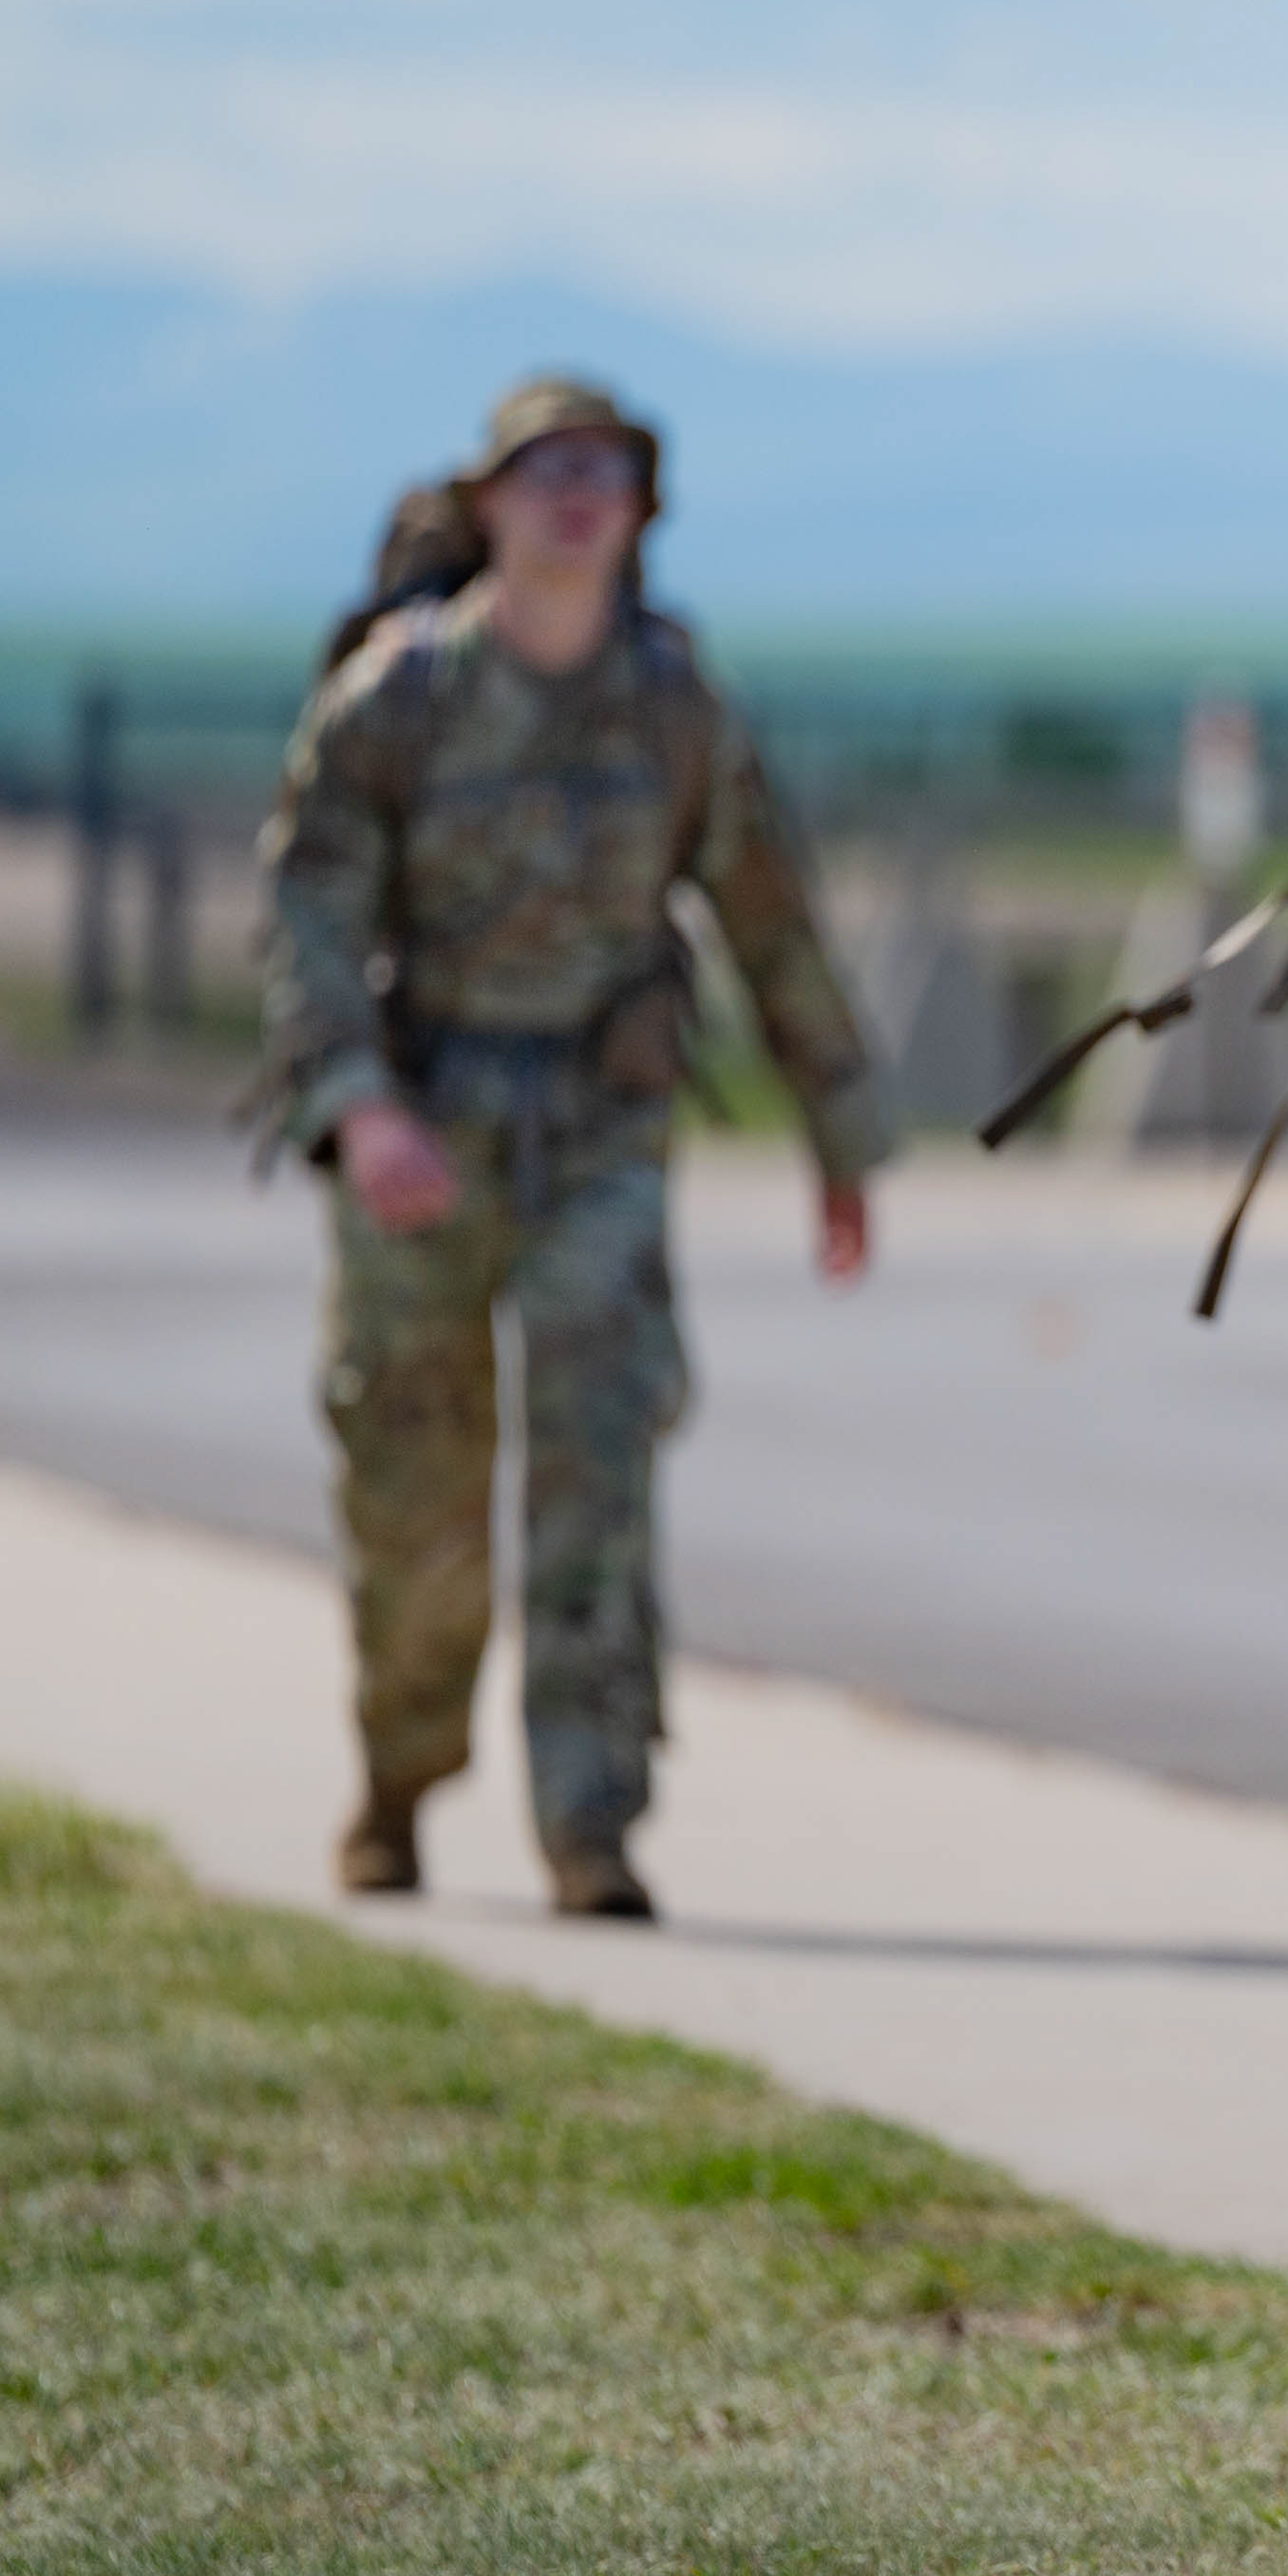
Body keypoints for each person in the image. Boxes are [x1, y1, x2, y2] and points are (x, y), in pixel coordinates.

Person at [259, 375, 885, 1922]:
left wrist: (840, 1134)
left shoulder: (673, 708)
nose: (575, 496)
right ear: (488, 504)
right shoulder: (398, 699)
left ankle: (591, 1828)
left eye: (606, 472)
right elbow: (308, 912)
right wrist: (358, 1106)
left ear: (640, 512)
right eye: (545, 469)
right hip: (424, 1127)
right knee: (415, 1483)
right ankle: (400, 1773)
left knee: (598, 1476)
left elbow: (769, 918)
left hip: (603, 1130)